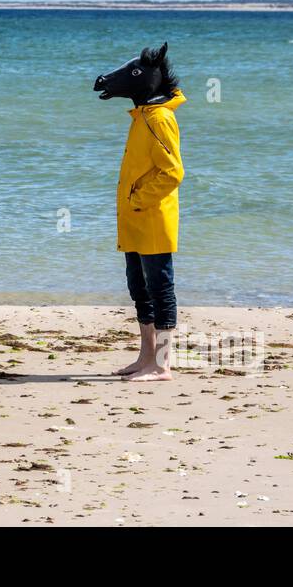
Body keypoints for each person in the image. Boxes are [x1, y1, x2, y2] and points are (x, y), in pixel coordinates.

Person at [93, 42, 186, 381]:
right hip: (134, 218)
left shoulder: (159, 118)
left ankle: (161, 364)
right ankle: (145, 358)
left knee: (160, 287)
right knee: (138, 288)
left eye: (132, 74)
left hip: (153, 217)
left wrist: (137, 199)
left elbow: (172, 172)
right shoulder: (143, 116)